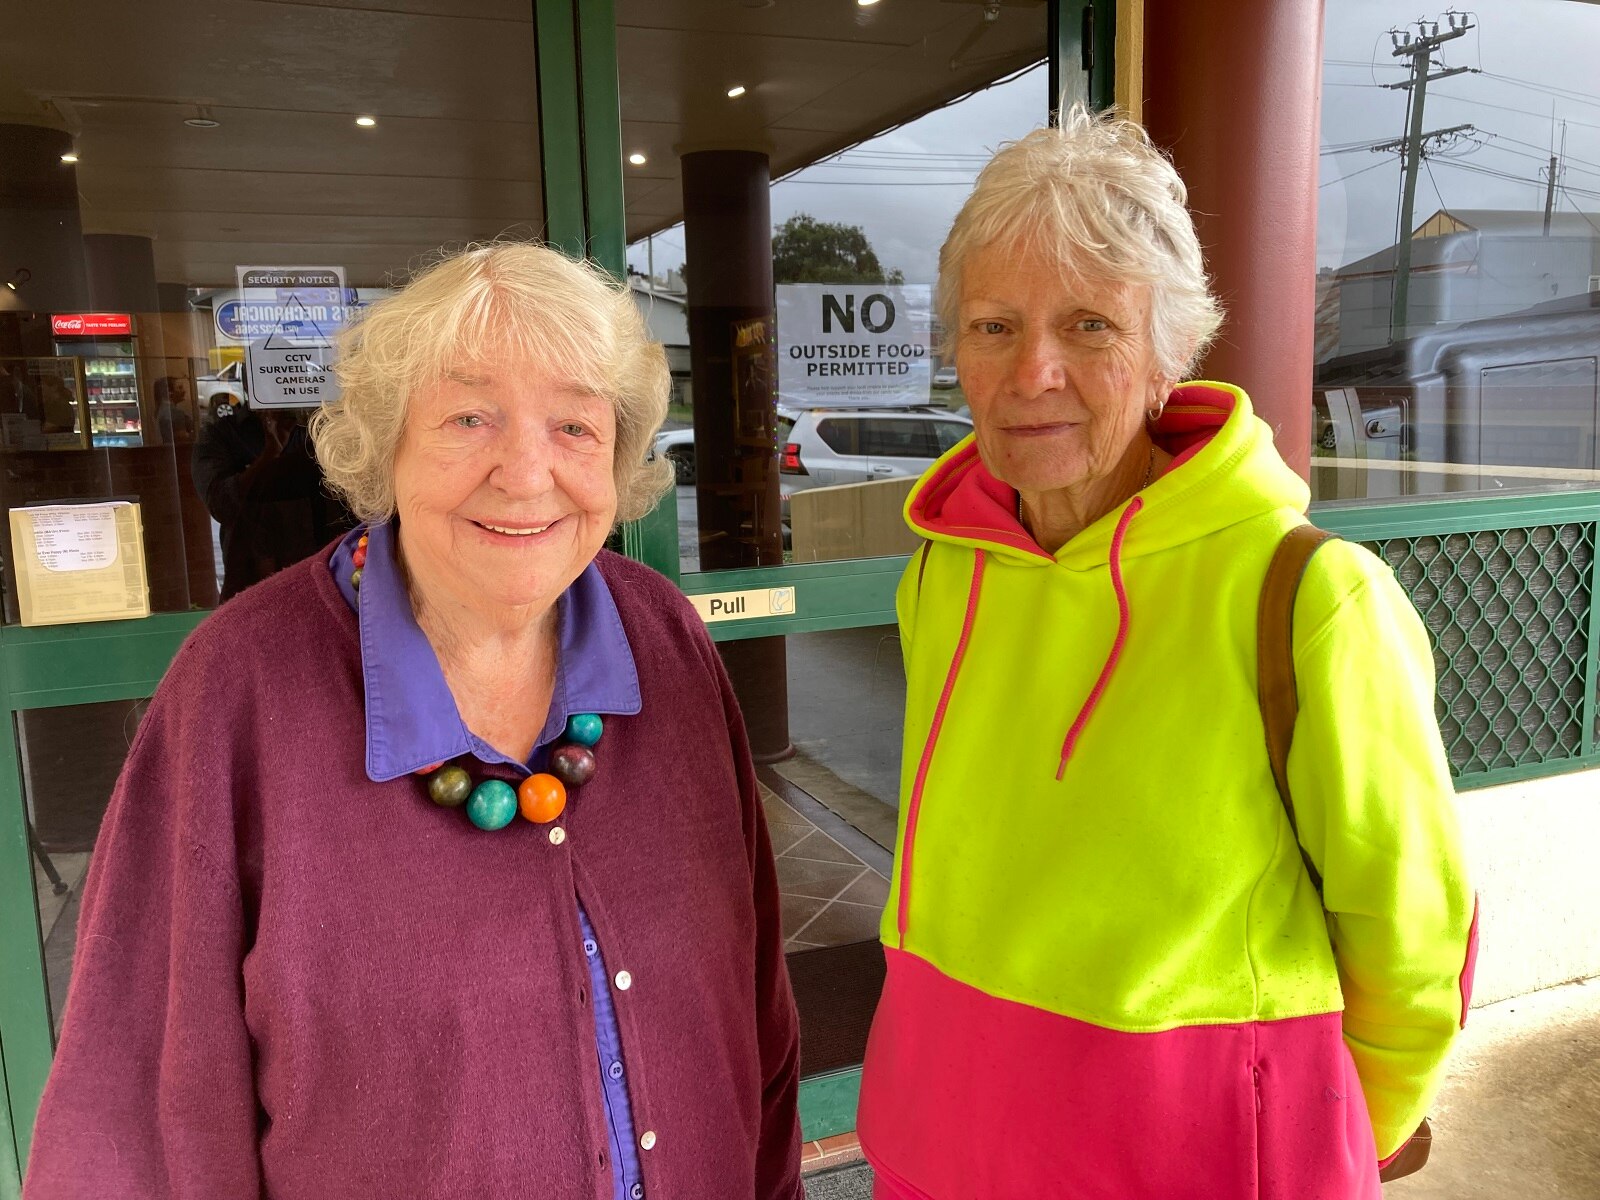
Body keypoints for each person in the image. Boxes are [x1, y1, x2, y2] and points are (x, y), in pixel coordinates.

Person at [25, 242, 804, 1200]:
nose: (526, 473)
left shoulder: (665, 641)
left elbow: (756, 1013)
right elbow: (136, 1120)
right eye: (470, 417)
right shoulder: (239, 690)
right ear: (386, 443)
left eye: (573, 424)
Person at [857, 107, 1477, 1199]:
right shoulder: (941, 568)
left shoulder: (1307, 596)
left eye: (1089, 325)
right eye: (993, 326)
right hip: (946, 1134)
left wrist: (1333, 1136)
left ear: (1166, 351)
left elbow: (1413, 928)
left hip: (1192, 1154)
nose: (1031, 371)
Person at [190, 392, 355, 599]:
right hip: (254, 586)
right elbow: (220, 504)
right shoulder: (223, 434)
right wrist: (268, 456)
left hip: (333, 581)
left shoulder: (331, 428)